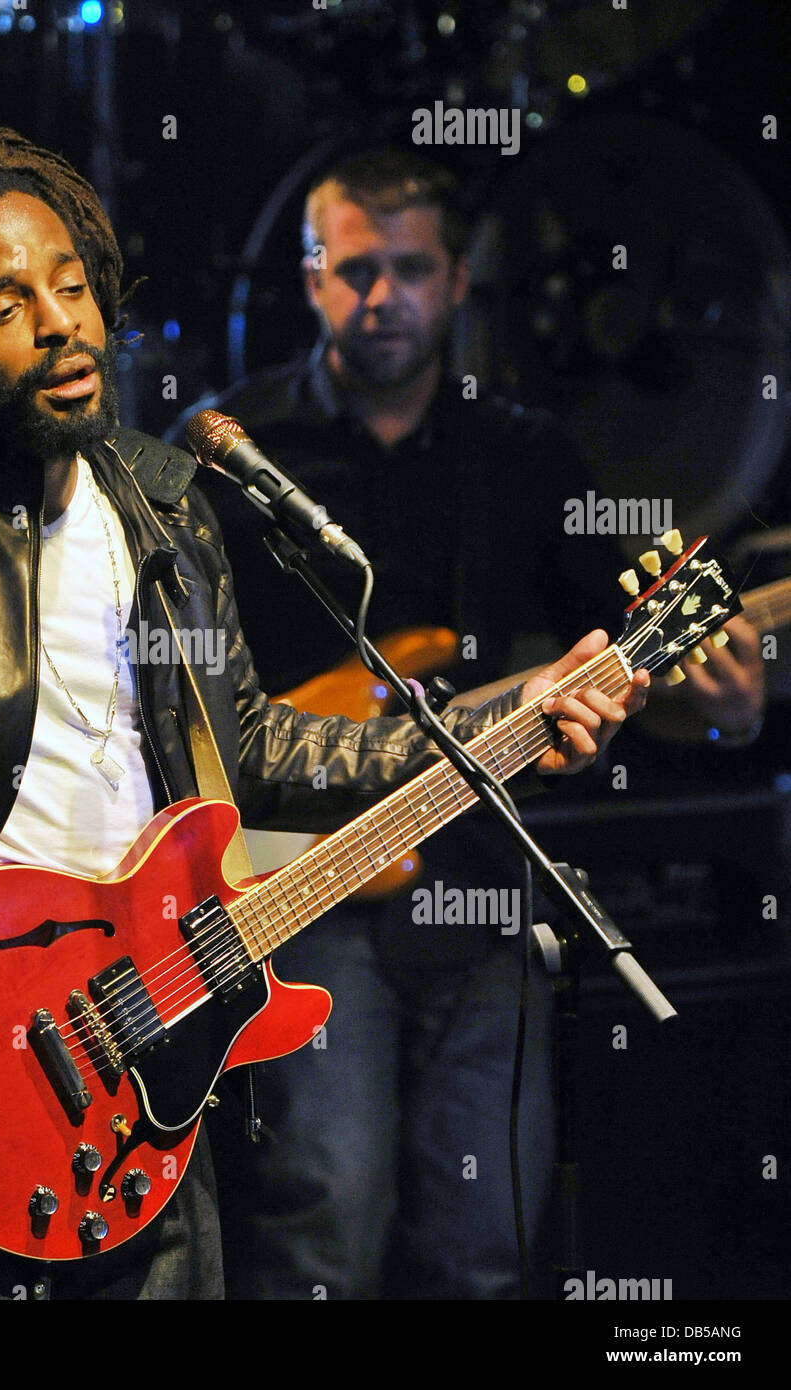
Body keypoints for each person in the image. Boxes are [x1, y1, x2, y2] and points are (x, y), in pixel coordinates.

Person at [0, 128, 642, 1302]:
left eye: (74, 287)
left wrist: (513, 718)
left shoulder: (162, 504)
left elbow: (257, 753)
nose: (61, 324)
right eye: (3, 306)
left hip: (152, 1059)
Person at [172, 149, 764, 1299]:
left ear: (455, 280)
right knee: (322, 1228)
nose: (380, 297)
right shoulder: (236, 452)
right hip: (300, 890)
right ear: (309, 278)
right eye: (353, 270)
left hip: (490, 883)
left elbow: (626, 660)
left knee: (487, 1237)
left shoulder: (530, 454)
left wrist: (726, 710)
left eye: (409, 269)